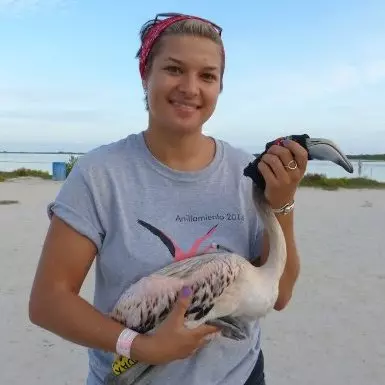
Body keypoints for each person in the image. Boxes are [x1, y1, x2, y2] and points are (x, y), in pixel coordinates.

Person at [29, 12, 308, 385]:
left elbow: (280, 295)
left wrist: (282, 203)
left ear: (220, 88)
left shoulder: (246, 172)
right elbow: (49, 302)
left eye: (207, 76)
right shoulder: (100, 174)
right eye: (174, 69)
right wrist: (143, 348)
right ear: (146, 75)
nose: (191, 88)